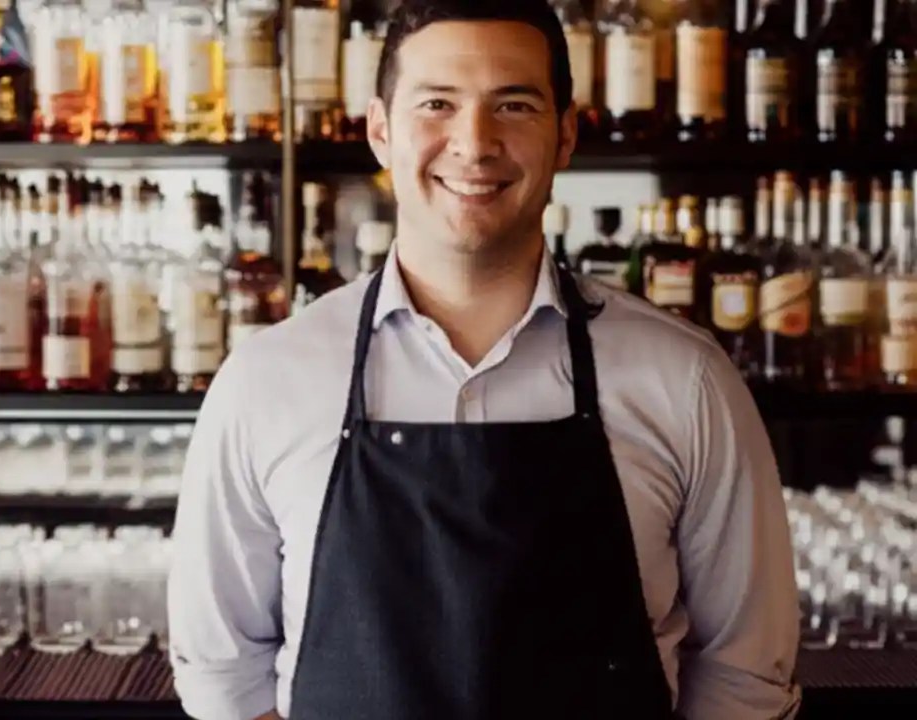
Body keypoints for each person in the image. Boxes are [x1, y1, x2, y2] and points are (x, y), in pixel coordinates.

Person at [166, 0, 801, 718]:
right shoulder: (266, 381)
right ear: (380, 130)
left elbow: (745, 677)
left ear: (565, 136)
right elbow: (224, 680)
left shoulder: (685, 379)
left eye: (515, 105)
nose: (474, 142)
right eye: (437, 103)